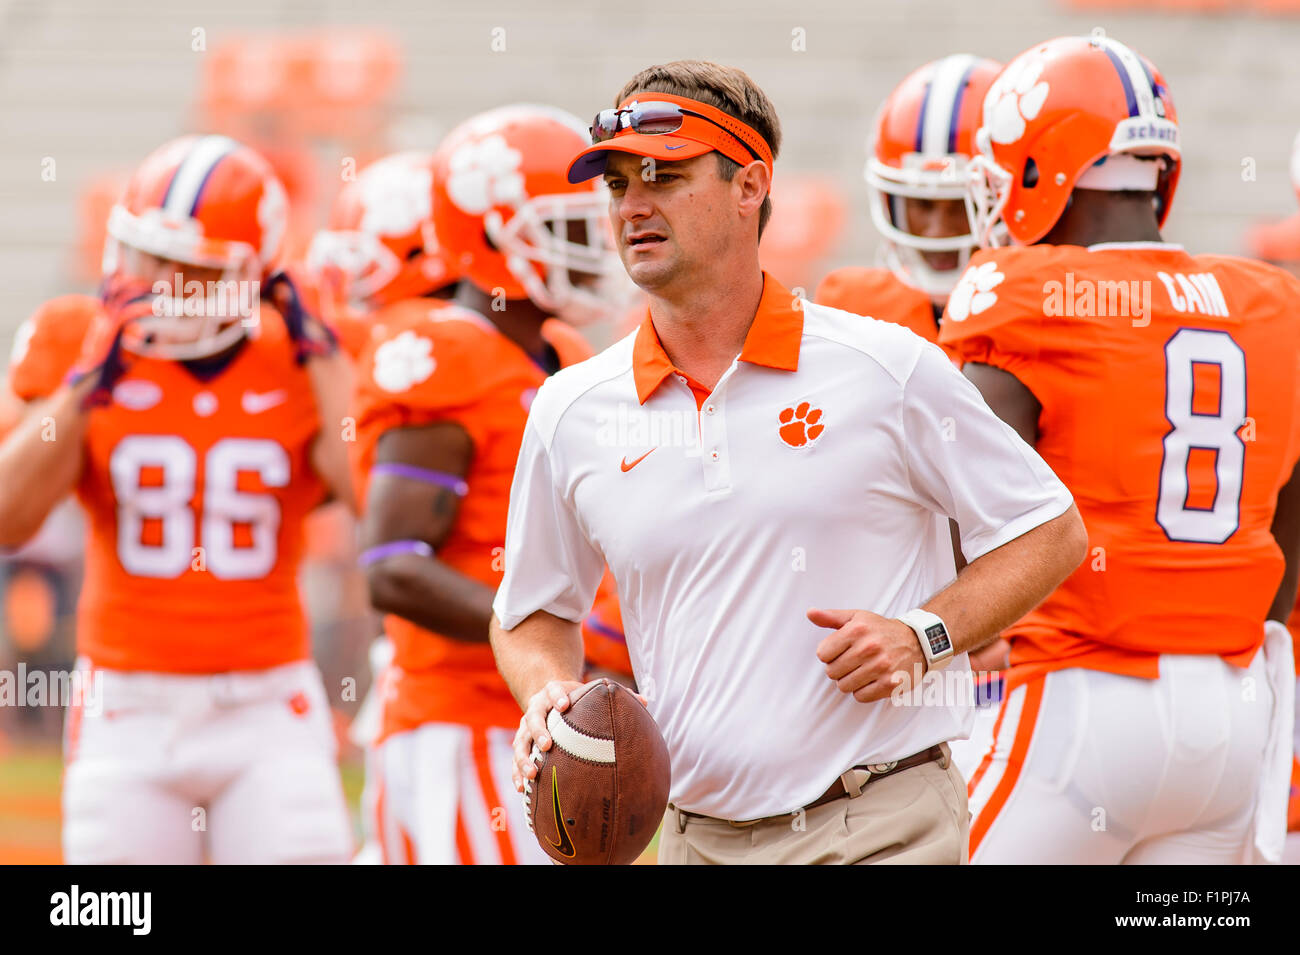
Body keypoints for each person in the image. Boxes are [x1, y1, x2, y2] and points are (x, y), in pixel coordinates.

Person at [489, 59, 1087, 865]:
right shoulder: (571, 408)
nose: (633, 205)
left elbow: (1048, 528)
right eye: (619, 183)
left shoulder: (884, 367)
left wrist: (925, 635)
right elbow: (530, 612)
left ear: (750, 186)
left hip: (879, 819)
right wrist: (546, 690)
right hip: (694, 838)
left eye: (663, 176)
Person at [939, 35, 1300, 864]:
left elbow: (966, 521)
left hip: (1080, 703)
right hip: (1235, 713)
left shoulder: (1030, 294)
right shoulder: (1272, 302)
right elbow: (1289, 528)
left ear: (1037, 167)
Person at [0, 134, 355, 864]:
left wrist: (324, 355)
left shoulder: (297, 359)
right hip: (125, 703)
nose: (154, 280)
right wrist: (85, 383)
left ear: (248, 278)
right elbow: (9, 517)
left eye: (183, 267)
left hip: (266, 703)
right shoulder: (79, 335)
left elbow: (371, 500)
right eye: (144, 255)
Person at [348, 106, 632, 864]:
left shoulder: (563, 349)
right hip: (461, 722)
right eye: (565, 227)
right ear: (493, 234)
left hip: (534, 716)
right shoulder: (446, 353)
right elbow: (394, 564)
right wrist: (542, 640)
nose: (592, 244)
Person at [814, 54, 1007, 779]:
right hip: (890, 657)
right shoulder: (850, 304)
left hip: (1025, 651)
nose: (932, 228)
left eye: (957, 203)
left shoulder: (1054, 309)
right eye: (913, 203)